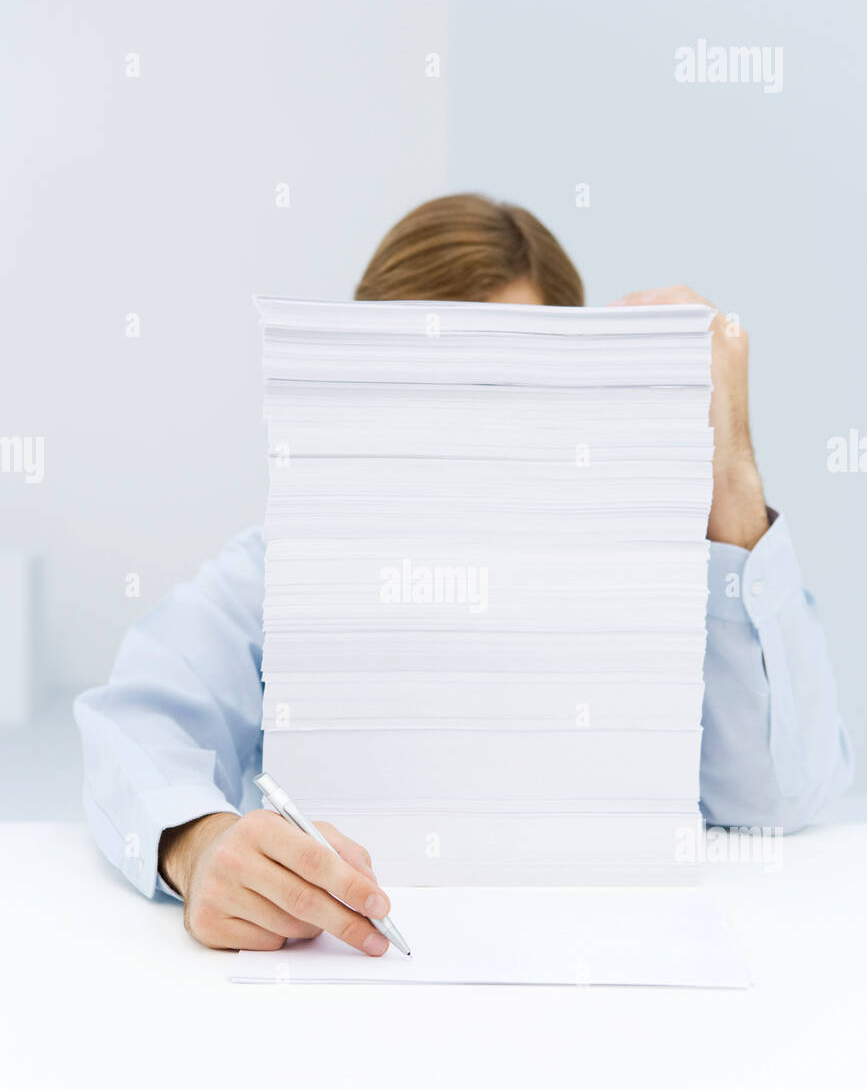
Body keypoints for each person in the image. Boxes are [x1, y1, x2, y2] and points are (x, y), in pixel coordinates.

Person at [74, 193, 853, 953]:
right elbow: (141, 722)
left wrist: (730, 472)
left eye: (505, 388)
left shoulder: (645, 575)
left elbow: (776, 801)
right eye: (427, 388)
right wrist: (198, 843)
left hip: (605, 965)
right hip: (347, 972)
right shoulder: (281, 568)